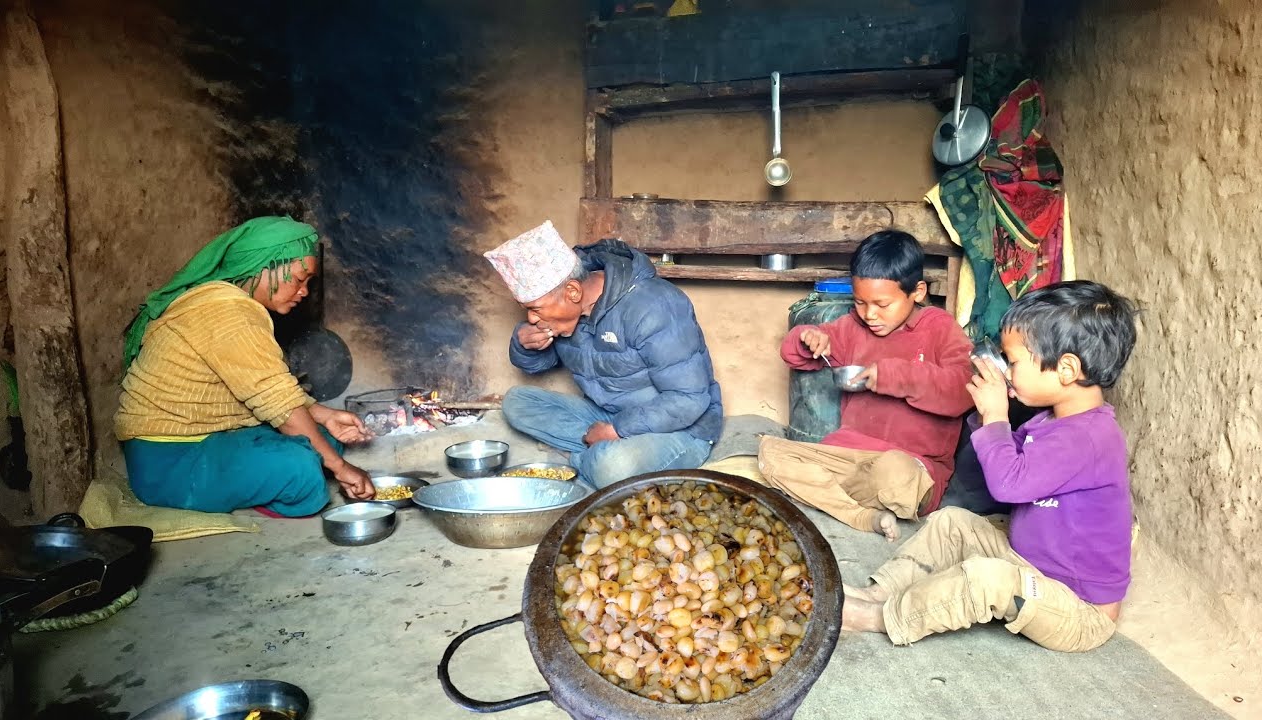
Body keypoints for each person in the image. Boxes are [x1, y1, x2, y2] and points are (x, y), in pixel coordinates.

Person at [841, 280, 1138, 653]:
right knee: (953, 522)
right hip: (1028, 564)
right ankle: (878, 592)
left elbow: (1009, 485)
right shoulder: (1051, 420)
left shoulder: (1091, 438)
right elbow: (1013, 458)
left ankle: (880, 617)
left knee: (988, 579)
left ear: (1065, 369)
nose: (1008, 372)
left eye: (1013, 362)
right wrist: (987, 420)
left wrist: (997, 415)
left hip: (1074, 610)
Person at [114, 216, 375, 516]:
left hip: (211, 438)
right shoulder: (229, 314)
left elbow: (271, 389)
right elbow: (279, 404)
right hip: (170, 462)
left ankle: (256, 476)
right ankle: (259, 490)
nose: (304, 291)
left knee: (322, 439)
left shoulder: (232, 304)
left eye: (309, 282)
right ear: (262, 267)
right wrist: (341, 468)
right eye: (299, 279)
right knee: (301, 470)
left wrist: (326, 416)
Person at [757, 231, 974, 540]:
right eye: (860, 302)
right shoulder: (852, 327)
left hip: (910, 466)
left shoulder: (939, 328)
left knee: (895, 476)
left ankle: (832, 498)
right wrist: (809, 337)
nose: (869, 314)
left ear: (918, 292)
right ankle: (863, 517)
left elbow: (962, 391)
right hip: (848, 456)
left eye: (882, 304)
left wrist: (891, 376)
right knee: (771, 454)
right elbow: (792, 355)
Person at [486, 221, 723, 488]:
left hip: (680, 429)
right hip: (607, 413)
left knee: (612, 466)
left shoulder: (653, 306)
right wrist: (524, 345)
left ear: (573, 292)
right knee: (518, 402)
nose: (531, 317)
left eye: (536, 309)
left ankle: (586, 457)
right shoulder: (570, 315)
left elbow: (689, 399)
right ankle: (595, 448)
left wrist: (616, 431)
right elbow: (543, 364)